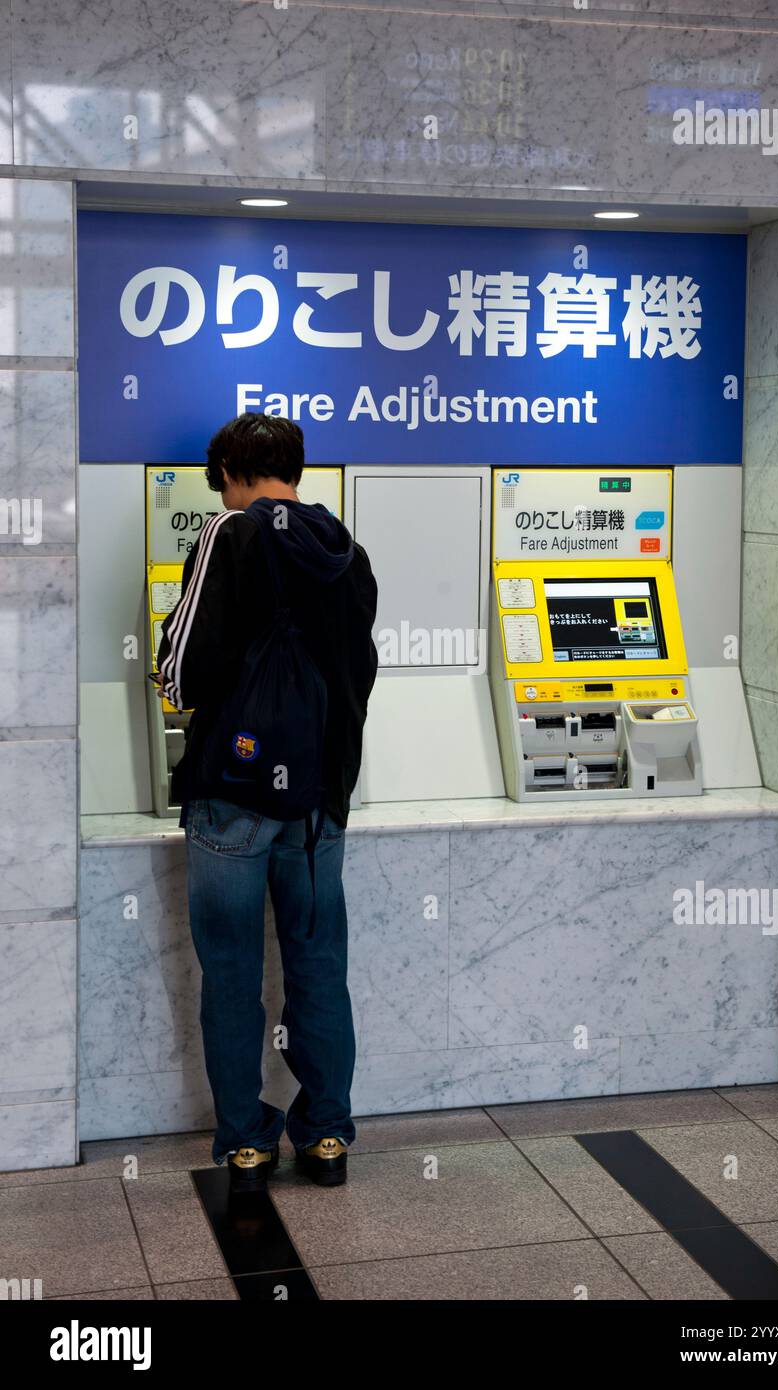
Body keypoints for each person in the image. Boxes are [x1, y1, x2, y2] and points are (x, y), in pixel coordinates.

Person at [155, 413, 378, 1193]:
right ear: (298, 469)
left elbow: (178, 671)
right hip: (318, 805)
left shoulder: (229, 533)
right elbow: (359, 676)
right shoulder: (345, 552)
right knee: (319, 968)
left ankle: (247, 1145)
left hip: (233, 801)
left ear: (228, 471)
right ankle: (325, 1139)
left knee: (232, 973)